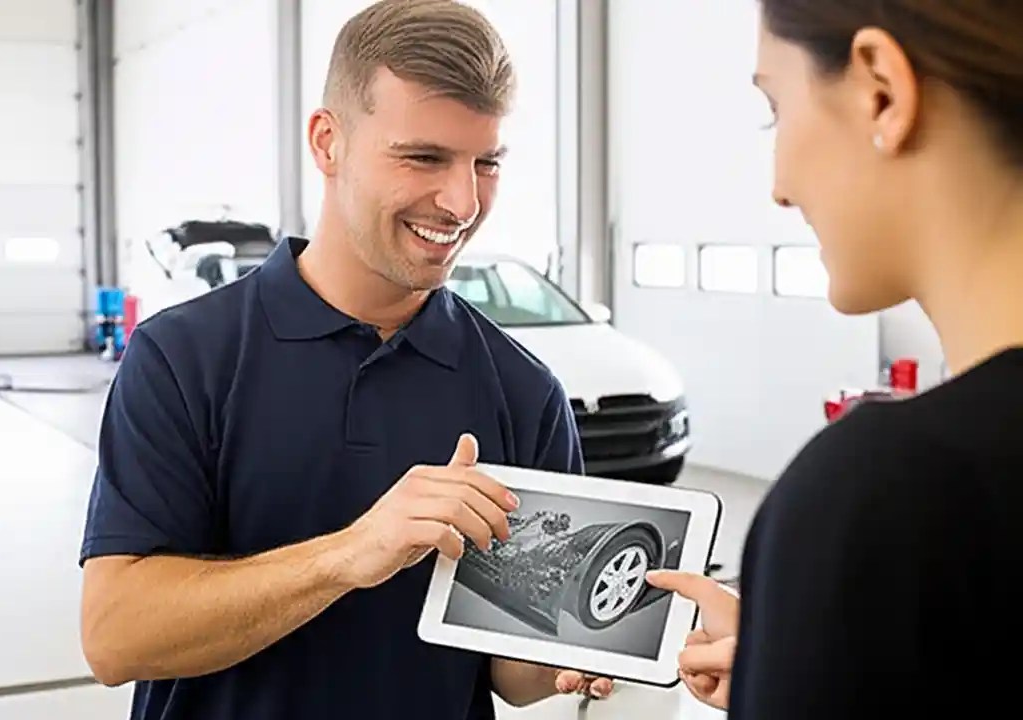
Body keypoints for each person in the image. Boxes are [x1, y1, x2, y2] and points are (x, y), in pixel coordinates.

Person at [77, 2, 611, 719]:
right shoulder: (182, 358)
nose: (462, 202)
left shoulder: (524, 389)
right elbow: (116, 638)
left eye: (486, 163)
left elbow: (512, 675)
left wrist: (594, 641)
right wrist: (351, 555)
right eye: (424, 157)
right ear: (328, 143)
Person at [647, 0, 1023, 716]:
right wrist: (802, 661)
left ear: (881, 91)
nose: (778, 187)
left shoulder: (887, 498)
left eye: (775, 109)